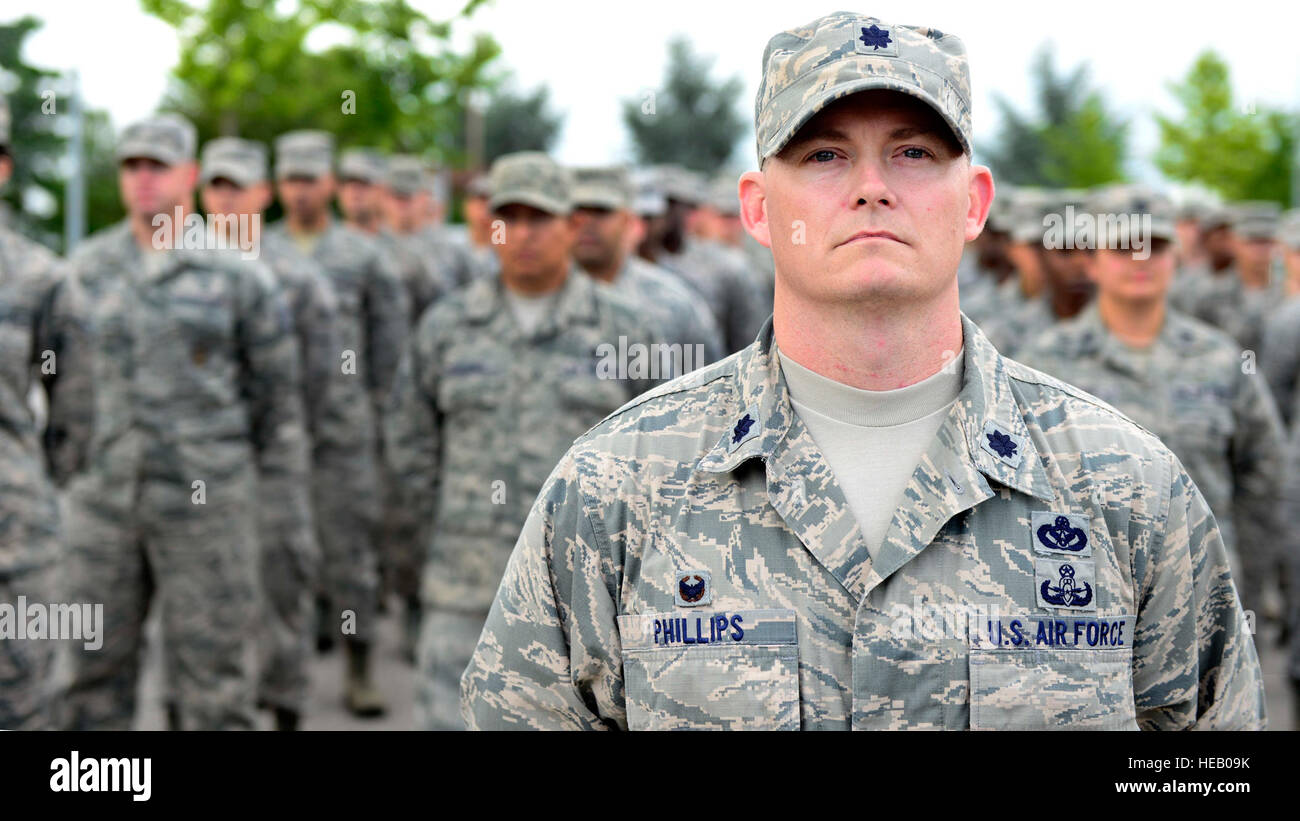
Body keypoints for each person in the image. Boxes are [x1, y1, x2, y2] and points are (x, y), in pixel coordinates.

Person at [461, 13, 1264, 730]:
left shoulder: (1126, 487)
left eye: (913, 152)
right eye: (824, 154)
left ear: (976, 201)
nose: (873, 188)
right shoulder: (618, 488)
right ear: (756, 206)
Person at [384, 151, 657, 729]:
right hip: (464, 586)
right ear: (489, 227)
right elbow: (410, 453)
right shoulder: (447, 327)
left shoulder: (626, 329)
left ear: (570, 226)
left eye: (541, 217)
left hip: (587, 596)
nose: (524, 234)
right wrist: (413, 566)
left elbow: (659, 463)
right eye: (511, 217)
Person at [62, 115, 313, 730]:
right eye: (132, 166)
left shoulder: (236, 274)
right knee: (90, 670)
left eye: (158, 166)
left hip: (206, 505)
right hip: (103, 504)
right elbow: (64, 387)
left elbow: (273, 397)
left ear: (189, 176)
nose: (144, 180)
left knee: (214, 680)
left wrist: (223, 468)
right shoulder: (86, 269)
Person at [1019, 185, 1286, 620]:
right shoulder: (1043, 365)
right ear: (1091, 259)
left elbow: (1263, 478)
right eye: (1124, 247)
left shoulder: (1221, 360)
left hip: (1202, 602)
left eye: (1155, 246)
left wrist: (1242, 586)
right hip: (1084, 613)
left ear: (1176, 257)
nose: (1140, 259)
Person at [198, 136, 337, 730]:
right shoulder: (180, 265)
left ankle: (284, 703)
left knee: (282, 579)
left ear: (262, 193)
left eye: (238, 187)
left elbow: (321, 370)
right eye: (215, 187)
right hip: (202, 457)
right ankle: (204, 705)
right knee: (204, 586)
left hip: (276, 454)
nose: (226, 200)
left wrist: (286, 433)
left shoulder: (297, 276)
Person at [268, 130, 408, 717]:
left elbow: (389, 346)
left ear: (330, 182)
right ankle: (283, 680)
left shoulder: (362, 255)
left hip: (344, 428)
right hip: (274, 427)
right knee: (278, 556)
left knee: (349, 549)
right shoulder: (258, 251)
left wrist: (376, 411)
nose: (301, 190)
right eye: (291, 179)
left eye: (311, 178)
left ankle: (359, 668)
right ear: (278, 184)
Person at [0, 95, 94, 729]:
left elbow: (77, 409)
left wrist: (33, 482)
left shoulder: (40, 278)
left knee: (21, 701)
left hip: (13, 539)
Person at [569, 165, 723, 370]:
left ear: (628, 220)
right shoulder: (534, 297)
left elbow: (707, 385)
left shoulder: (673, 302)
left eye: (600, 212)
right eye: (577, 213)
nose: (587, 223)